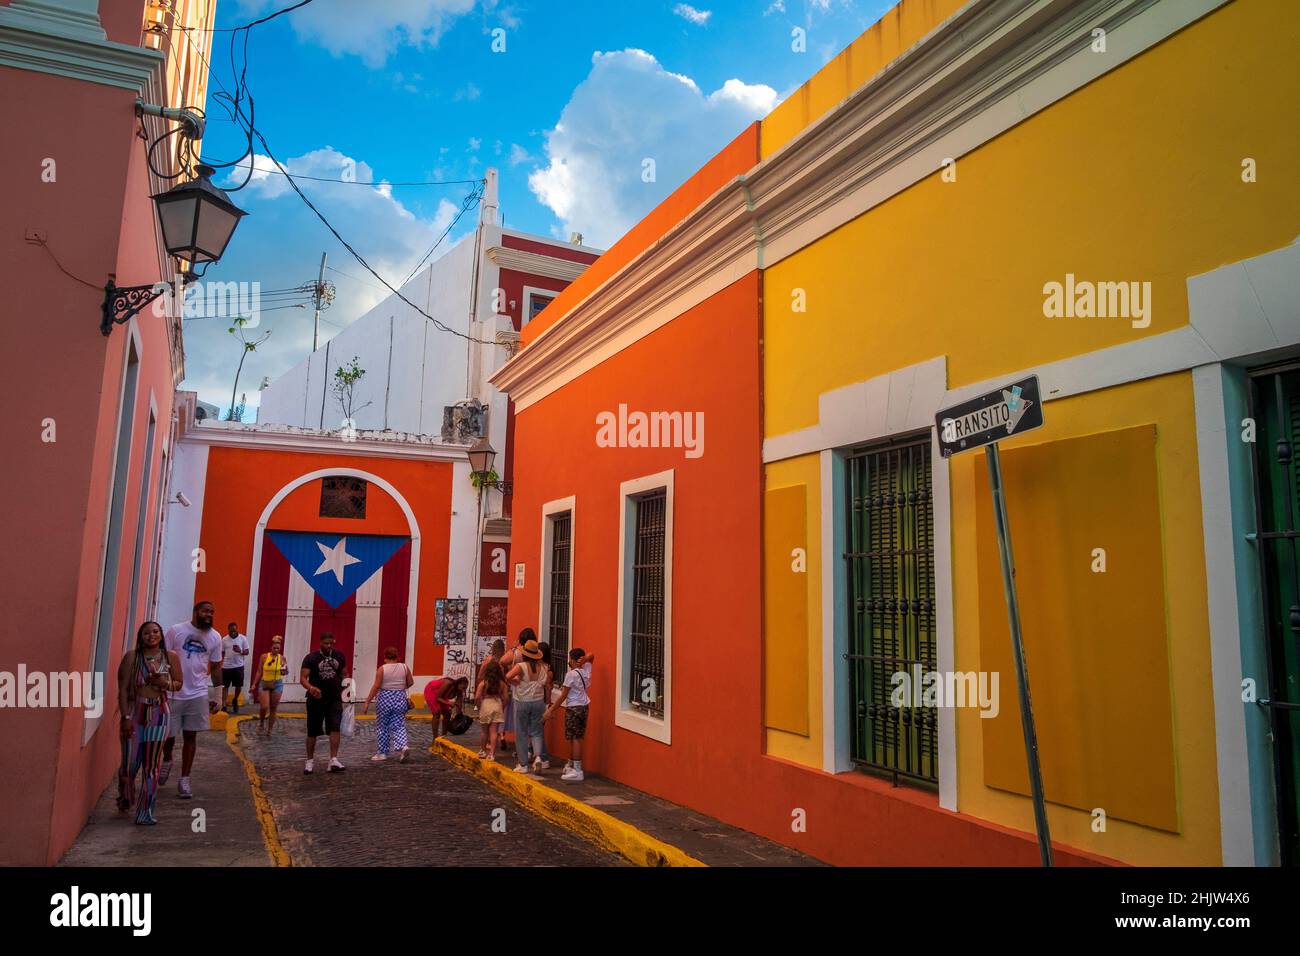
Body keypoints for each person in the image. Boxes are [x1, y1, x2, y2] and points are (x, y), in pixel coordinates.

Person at [115, 622, 182, 824]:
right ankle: (125, 795)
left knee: (151, 766)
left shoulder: (171, 657)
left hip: (159, 714)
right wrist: (125, 717)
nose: (151, 635)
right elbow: (124, 691)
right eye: (146, 632)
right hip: (136, 713)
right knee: (130, 764)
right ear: (140, 636)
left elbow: (179, 684)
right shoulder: (131, 658)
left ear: (161, 635)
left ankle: (145, 813)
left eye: (155, 632)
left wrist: (165, 684)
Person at [161, 600, 224, 798]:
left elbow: (215, 667)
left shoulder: (215, 637)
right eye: (205, 611)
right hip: (173, 691)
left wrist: (218, 696)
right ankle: (167, 759)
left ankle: (185, 779)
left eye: (212, 612)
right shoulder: (176, 631)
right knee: (168, 736)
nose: (209, 615)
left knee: (191, 736)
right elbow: (162, 657)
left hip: (197, 693)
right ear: (196, 611)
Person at [301, 633, 348, 774]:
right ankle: (309, 761)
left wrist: (346, 687)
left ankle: (333, 759)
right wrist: (311, 688)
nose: (329, 646)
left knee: (335, 728)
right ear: (320, 642)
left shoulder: (339, 656)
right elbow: (303, 678)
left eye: (331, 643)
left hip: (334, 698)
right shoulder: (311, 658)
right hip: (316, 699)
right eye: (326, 643)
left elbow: (344, 673)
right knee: (312, 731)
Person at [543, 647, 592, 782]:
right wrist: (585, 660)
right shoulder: (586, 671)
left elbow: (563, 696)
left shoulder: (571, 675)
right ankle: (571, 765)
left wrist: (550, 710)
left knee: (575, 738)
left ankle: (577, 770)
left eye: (570, 658)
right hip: (584, 707)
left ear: (572, 660)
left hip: (573, 708)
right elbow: (591, 656)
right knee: (576, 737)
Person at [363, 647, 413, 762]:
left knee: (383, 726)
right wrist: (399, 686)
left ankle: (382, 753)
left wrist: (367, 701)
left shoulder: (382, 669)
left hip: (385, 698)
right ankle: (403, 746)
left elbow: (376, 686)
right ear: (397, 656)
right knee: (399, 724)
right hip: (400, 697)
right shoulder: (404, 667)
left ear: (385, 657)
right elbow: (410, 682)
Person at [506, 639, 548, 773]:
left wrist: (516, 682)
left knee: (522, 733)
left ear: (524, 655)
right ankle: (538, 759)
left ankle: (523, 764)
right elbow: (547, 685)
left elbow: (507, 676)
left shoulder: (521, 666)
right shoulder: (543, 668)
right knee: (537, 732)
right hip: (538, 702)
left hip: (522, 701)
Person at [478, 638, 509, 753]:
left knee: (486, 726)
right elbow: (504, 678)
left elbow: (480, 676)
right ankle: (500, 738)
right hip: (499, 694)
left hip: (488, 695)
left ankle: (487, 745)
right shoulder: (502, 662)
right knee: (496, 722)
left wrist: (483, 688)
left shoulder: (488, 660)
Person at [252, 635, 287, 736]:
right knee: (264, 706)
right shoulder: (264, 657)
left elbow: (284, 672)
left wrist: (284, 670)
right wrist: (254, 684)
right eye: (274, 648)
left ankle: (270, 730)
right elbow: (259, 671)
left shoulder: (282, 658)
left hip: (277, 683)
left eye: (278, 648)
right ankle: (262, 722)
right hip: (265, 682)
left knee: (273, 707)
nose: (276, 650)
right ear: (271, 648)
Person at [474, 659, 507, 760]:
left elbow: (477, 697)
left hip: (485, 705)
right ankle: (492, 754)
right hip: (497, 705)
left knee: (484, 731)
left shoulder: (483, 683)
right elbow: (506, 698)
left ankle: (483, 751)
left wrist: (479, 706)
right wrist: (502, 706)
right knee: (494, 732)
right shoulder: (502, 684)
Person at [424, 675, 469, 748]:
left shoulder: (459, 691)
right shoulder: (448, 683)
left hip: (441, 696)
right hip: (431, 691)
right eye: (463, 688)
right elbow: (438, 697)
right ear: (459, 683)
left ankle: (443, 736)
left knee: (448, 713)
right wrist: (449, 703)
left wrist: (459, 714)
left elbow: (459, 705)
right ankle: (435, 739)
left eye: (465, 689)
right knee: (437, 713)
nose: (463, 690)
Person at [220, 622, 250, 714]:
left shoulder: (242, 638)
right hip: (226, 666)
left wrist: (240, 651)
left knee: (238, 686)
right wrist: (221, 662)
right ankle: (224, 705)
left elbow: (247, 651)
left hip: (238, 666)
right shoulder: (224, 639)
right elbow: (222, 652)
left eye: (234, 630)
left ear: (237, 629)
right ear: (228, 630)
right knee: (225, 686)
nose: (233, 632)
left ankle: (235, 700)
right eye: (231, 631)